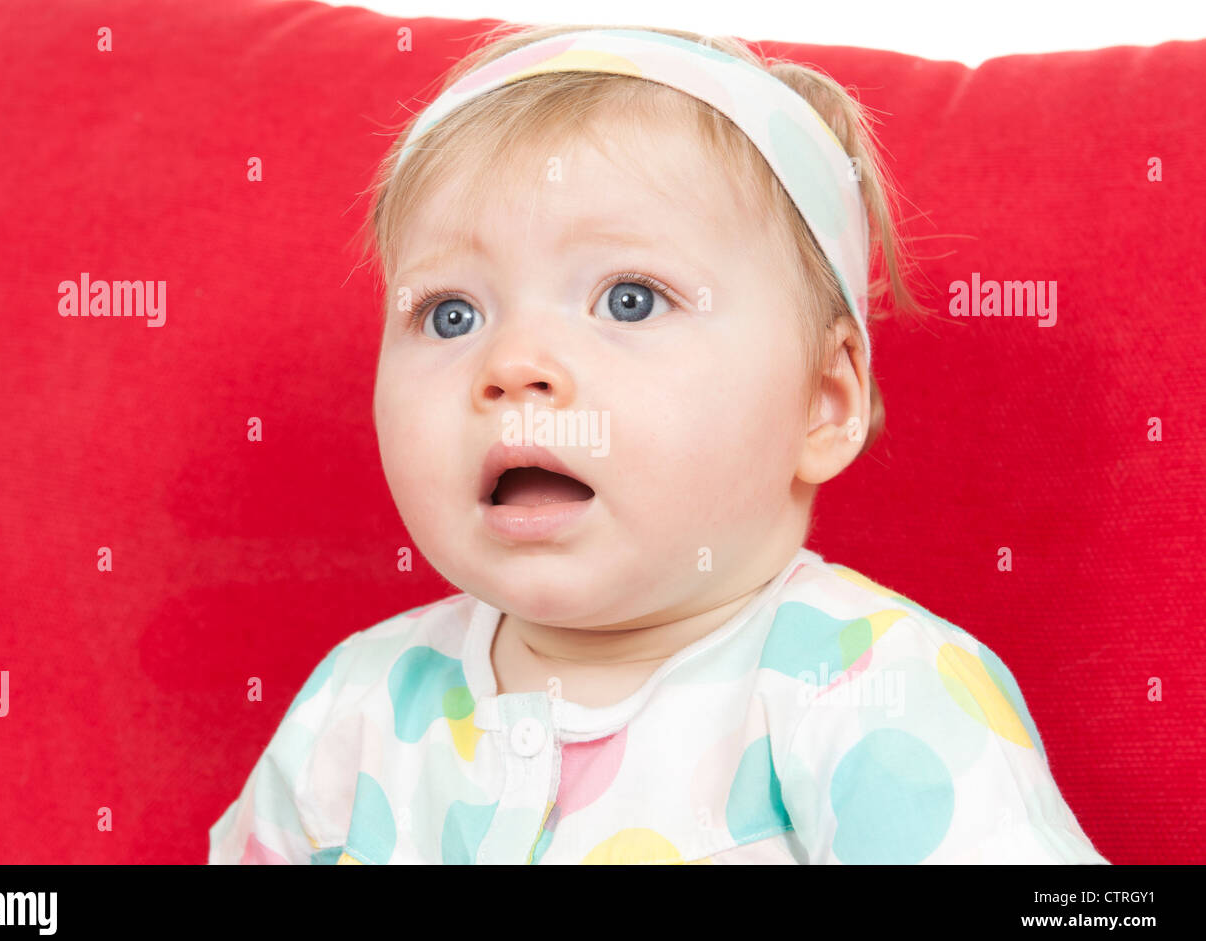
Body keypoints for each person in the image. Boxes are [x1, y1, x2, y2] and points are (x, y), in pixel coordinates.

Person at [208, 23, 1107, 865]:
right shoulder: (359, 703)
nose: (513, 365)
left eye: (629, 299)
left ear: (824, 401)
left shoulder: (874, 688)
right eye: (451, 314)